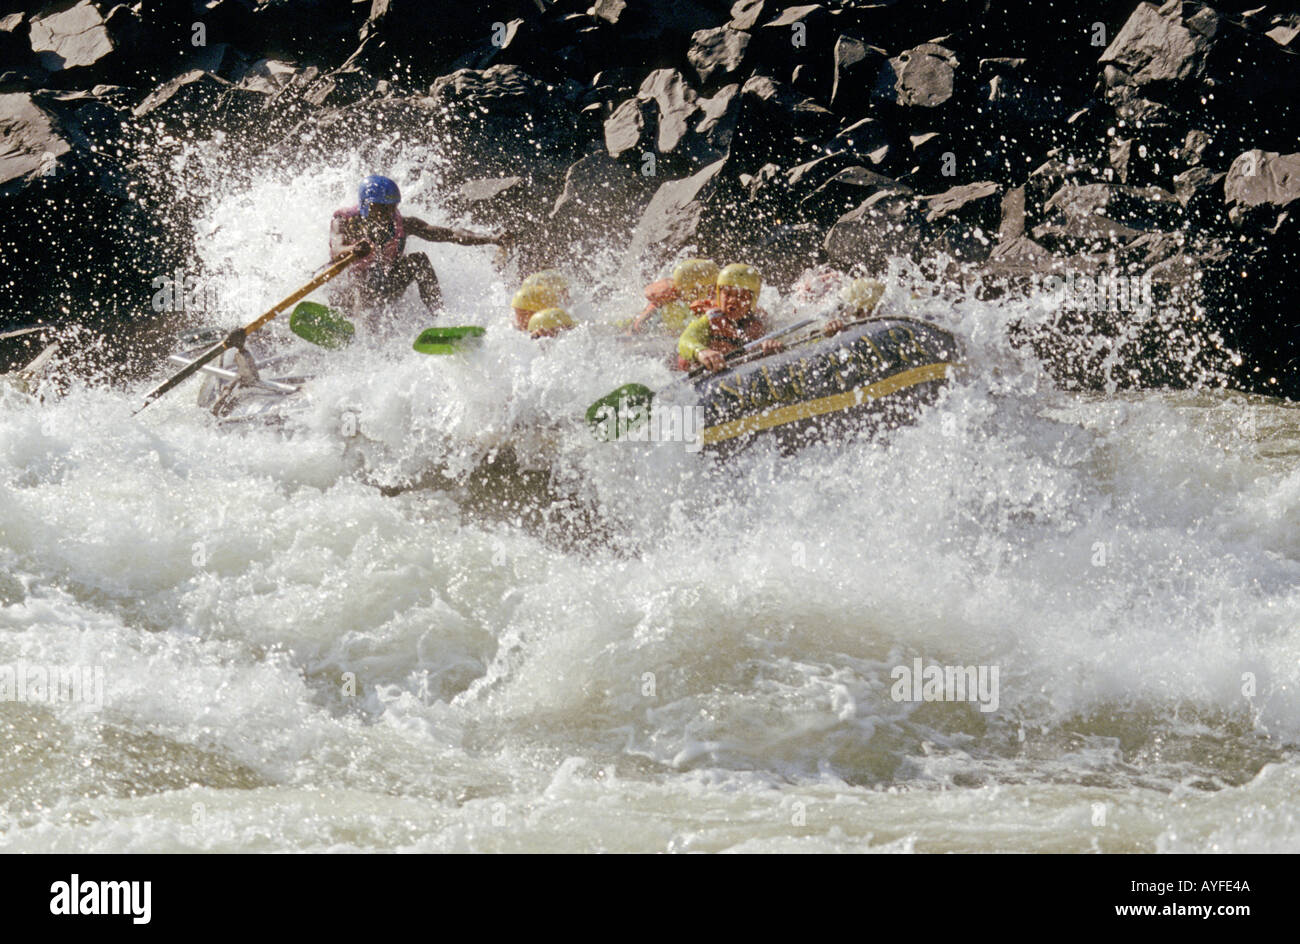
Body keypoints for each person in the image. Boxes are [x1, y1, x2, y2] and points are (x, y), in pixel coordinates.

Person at [329, 174, 509, 321]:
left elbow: (451, 234)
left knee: (419, 261)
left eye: (392, 208)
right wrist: (353, 249)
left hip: (383, 287)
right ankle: (355, 328)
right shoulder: (344, 222)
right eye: (382, 209)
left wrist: (492, 239)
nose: (389, 214)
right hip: (349, 290)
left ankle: (441, 318)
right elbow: (337, 250)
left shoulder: (403, 225)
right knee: (361, 283)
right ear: (366, 205)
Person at [676, 263, 783, 372]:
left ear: (751, 301)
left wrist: (770, 343)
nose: (732, 300)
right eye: (727, 294)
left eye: (741, 296)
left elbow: (779, 339)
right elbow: (685, 340)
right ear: (719, 295)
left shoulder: (758, 322)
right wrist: (701, 352)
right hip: (705, 371)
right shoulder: (710, 320)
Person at [629, 258, 719, 334]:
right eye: (710, 288)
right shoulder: (667, 297)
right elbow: (637, 327)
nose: (713, 292)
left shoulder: (716, 299)